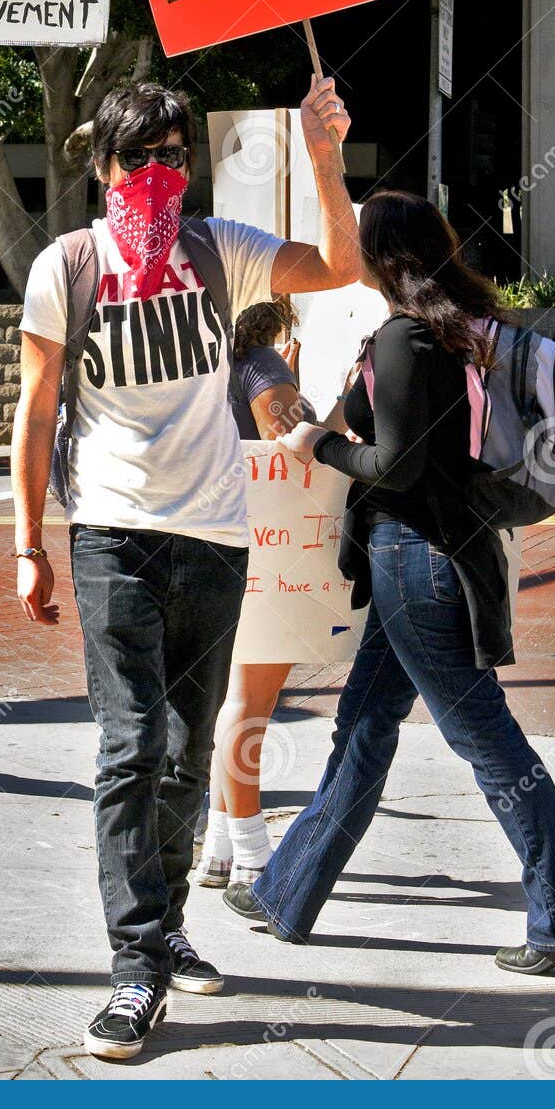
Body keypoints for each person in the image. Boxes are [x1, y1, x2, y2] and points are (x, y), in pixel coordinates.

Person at [12, 77, 358, 1059]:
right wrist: (27, 541)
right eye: (138, 157)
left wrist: (324, 160)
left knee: (184, 754)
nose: (157, 174)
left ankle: (161, 926)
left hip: (216, 538)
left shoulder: (218, 250)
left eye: (173, 154)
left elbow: (339, 262)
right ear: (103, 166)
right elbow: (37, 410)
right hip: (113, 536)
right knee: (129, 750)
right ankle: (134, 969)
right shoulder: (67, 266)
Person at [225, 190, 555, 975]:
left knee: (487, 744)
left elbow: (397, 464)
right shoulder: (451, 333)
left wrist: (317, 446)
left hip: (418, 559)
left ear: (384, 257)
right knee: (364, 730)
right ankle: (285, 890)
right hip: (427, 556)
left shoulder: (406, 338)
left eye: (362, 243)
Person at [196, 301, 312, 891]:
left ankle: (218, 844)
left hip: (216, 540)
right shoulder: (260, 365)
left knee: (233, 700)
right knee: (250, 703)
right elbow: (291, 437)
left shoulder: (207, 363)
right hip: (271, 549)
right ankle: (251, 850)